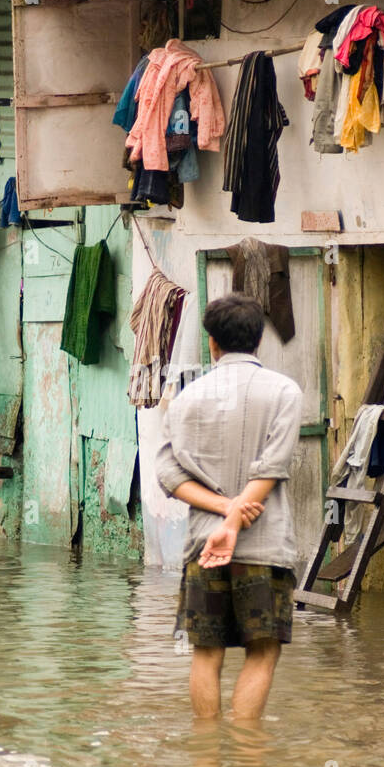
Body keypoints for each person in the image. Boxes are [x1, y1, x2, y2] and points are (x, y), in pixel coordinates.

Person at [156, 292, 303, 720]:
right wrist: (237, 515)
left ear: (212, 343)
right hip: (266, 547)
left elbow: (169, 476)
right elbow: (272, 467)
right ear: (259, 341)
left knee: (206, 654)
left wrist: (223, 512)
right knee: (262, 652)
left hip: (204, 547)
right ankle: (246, 752)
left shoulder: (186, 399)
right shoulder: (285, 392)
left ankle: (206, 756)